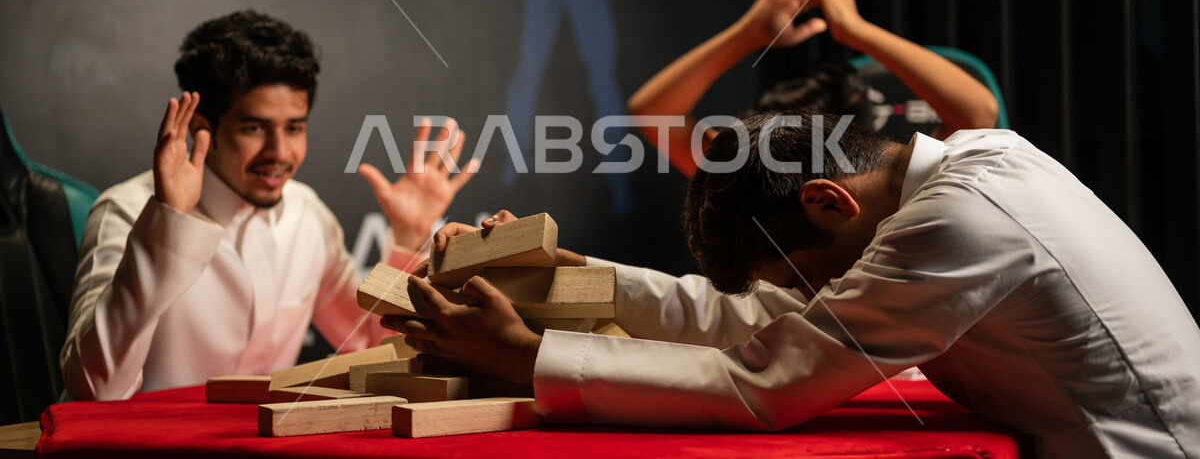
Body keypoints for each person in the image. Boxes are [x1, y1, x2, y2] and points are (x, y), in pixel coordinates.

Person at [384, 112, 1200, 458]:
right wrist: (569, 276)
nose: (824, 293)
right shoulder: (974, 161)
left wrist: (527, 356)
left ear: (824, 200)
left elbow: (766, 378)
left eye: (817, 274)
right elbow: (748, 316)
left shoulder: (961, 219)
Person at [60, 11, 478, 401]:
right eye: (255, 128)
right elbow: (94, 391)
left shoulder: (307, 213)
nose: (280, 152)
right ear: (201, 129)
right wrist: (167, 226)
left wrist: (406, 236)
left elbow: (373, 344)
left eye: (294, 128)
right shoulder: (126, 210)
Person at [627, 0, 999, 177]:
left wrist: (854, 29)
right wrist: (750, 32)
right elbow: (654, 112)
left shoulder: (897, 185)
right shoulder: (751, 173)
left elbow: (978, 112)